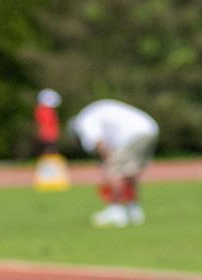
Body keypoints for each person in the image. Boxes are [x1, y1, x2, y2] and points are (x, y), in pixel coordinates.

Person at [71, 99, 159, 228]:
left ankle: (116, 213)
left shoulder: (83, 121)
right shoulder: (93, 112)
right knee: (130, 173)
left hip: (131, 135)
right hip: (149, 129)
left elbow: (99, 143)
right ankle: (134, 212)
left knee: (115, 172)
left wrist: (107, 162)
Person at [34, 90, 62, 156]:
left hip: (50, 134)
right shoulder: (42, 110)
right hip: (47, 134)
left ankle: (51, 162)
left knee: (51, 149)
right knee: (48, 149)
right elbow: (40, 123)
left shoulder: (48, 110)